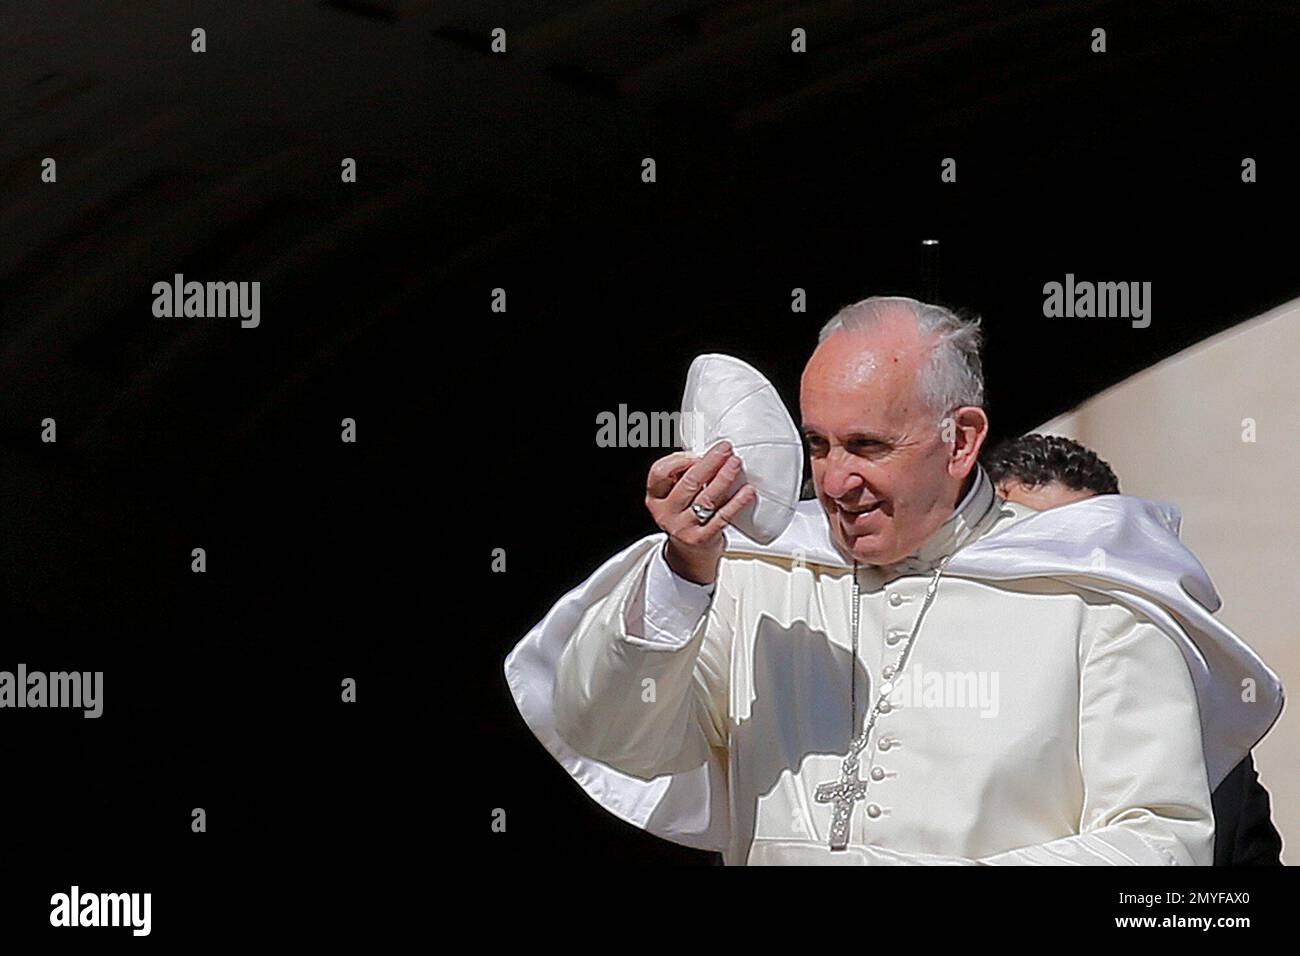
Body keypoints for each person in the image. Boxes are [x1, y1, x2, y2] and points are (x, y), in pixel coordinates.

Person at [505, 295, 1283, 865]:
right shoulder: (760, 580)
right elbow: (612, 735)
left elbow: (1161, 843)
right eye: (818, 446)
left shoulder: (1092, 592)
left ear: (960, 440)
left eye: (868, 446)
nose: (836, 481)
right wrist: (684, 571)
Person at [983, 432, 1284, 866]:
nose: (1059, 585)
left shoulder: (1205, 752)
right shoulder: (916, 701)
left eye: (1082, 561)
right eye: (1027, 558)